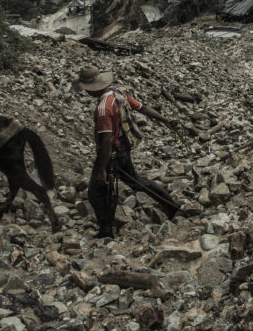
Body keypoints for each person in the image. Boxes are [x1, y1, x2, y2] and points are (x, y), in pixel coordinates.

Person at [72, 65, 182, 238]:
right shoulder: (119, 93)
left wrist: (102, 169)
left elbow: (106, 139)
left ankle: (105, 231)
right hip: (124, 145)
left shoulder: (103, 109)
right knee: (136, 180)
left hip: (112, 152)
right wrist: (164, 119)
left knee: (96, 192)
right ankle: (171, 205)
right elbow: (142, 108)